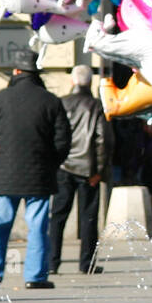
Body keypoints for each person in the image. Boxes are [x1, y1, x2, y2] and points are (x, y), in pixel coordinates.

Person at [0, 48, 71, 289]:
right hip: (39, 175)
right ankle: (35, 276)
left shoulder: (1, 98)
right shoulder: (51, 101)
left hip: (4, 175)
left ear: (16, 71)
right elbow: (63, 141)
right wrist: (50, 163)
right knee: (38, 227)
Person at [49, 64, 112, 274]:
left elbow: (54, 135)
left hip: (63, 166)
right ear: (90, 82)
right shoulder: (95, 106)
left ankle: (52, 262)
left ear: (72, 81)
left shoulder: (60, 103)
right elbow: (102, 140)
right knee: (89, 217)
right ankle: (87, 263)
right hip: (88, 170)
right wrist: (99, 170)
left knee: (58, 216)